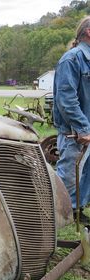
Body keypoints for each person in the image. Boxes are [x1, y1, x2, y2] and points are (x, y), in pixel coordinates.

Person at [53, 16, 90, 223]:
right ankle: (55, 216)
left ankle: (76, 211)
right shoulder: (72, 59)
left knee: (85, 175)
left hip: (86, 130)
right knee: (68, 177)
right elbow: (66, 99)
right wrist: (83, 129)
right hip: (75, 134)